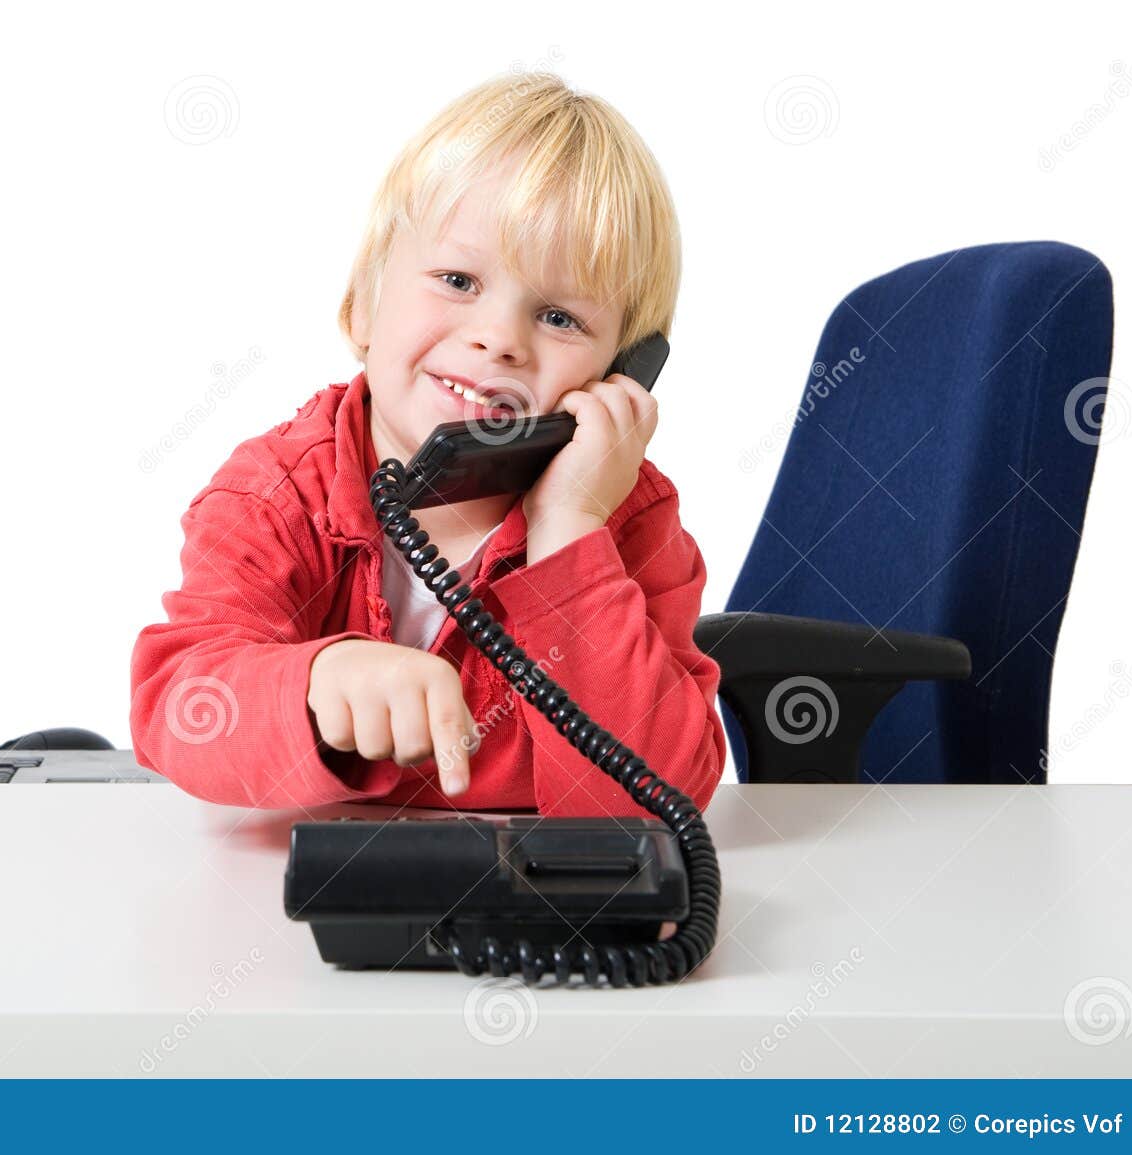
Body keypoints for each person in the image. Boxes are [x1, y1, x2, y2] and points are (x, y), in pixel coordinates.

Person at [130, 72, 726, 819]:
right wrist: (317, 682)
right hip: (314, 880)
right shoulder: (277, 492)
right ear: (362, 306)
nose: (498, 338)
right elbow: (180, 706)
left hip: (533, 888)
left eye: (559, 317)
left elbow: (657, 794)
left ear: (621, 375)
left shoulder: (626, 519)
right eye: (457, 279)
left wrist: (569, 531)